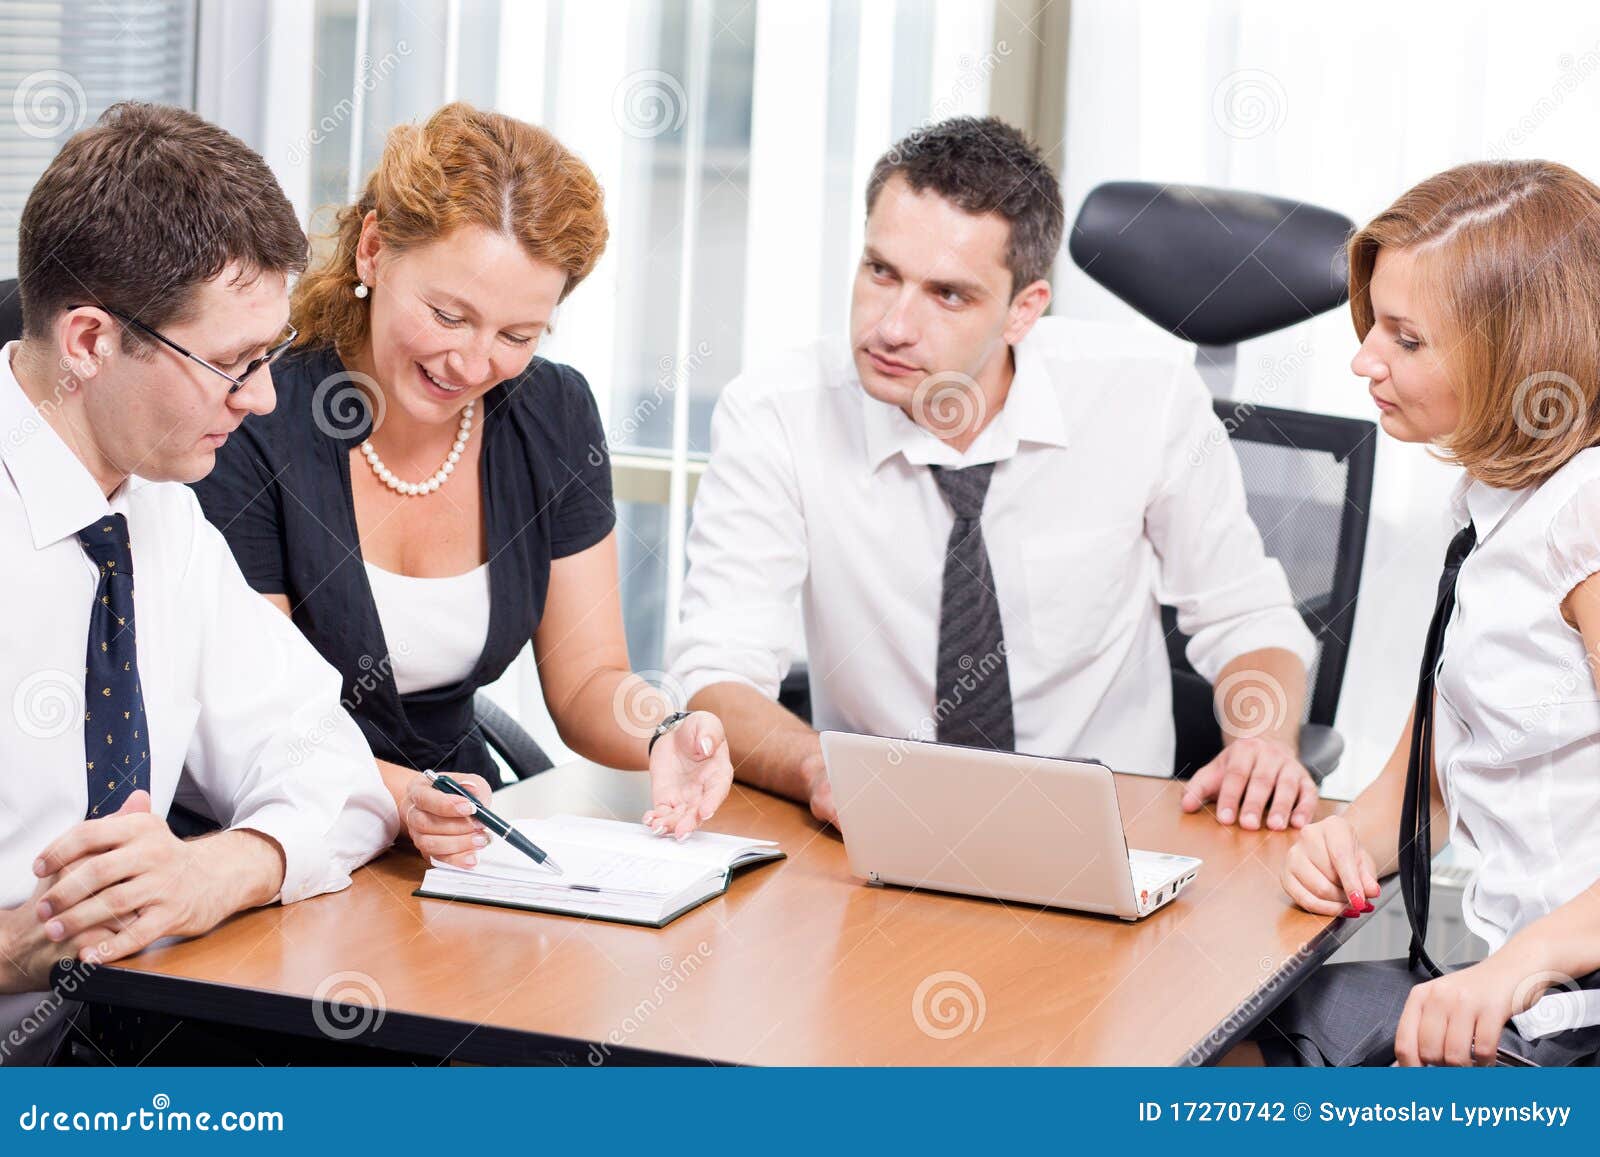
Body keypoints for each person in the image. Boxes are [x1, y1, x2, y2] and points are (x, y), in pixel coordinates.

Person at [667, 116, 1318, 829]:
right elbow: (718, 667)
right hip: (881, 829)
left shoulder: (1146, 395)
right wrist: (818, 768)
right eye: (880, 271)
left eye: (948, 295)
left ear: (1023, 312)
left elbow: (1243, 614)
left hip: (1112, 827)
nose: (892, 326)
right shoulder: (777, 413)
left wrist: (1261, 743)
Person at [192, 103, 733, 867]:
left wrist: (661, 726)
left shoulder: (551, 412)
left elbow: (588, 680)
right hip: (275, 838)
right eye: (449, 314)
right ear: (374, 252)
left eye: (517, 335)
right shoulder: (256, 418)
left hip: (457, 845)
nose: (474, 364)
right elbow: (262, 727)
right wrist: (403, 795)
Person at [0, 103, 398, 1065]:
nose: (262, 399)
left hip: (123, 1039)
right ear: (90, 342)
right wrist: (13, 948)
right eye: (231, 364)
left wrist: (218, 869)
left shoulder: (160, 515)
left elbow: (331, 769)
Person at [1239, 161, 1600, 1066]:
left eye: (1405, 338)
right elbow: (1428, 787)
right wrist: (1339, 843)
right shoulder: (1496, 502)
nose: (1365, 359)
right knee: (1219, 1041)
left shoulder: (1587, 521)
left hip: (1569, 1015)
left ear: (1521, 354)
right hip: (1525, 993)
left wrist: (1515, 967)